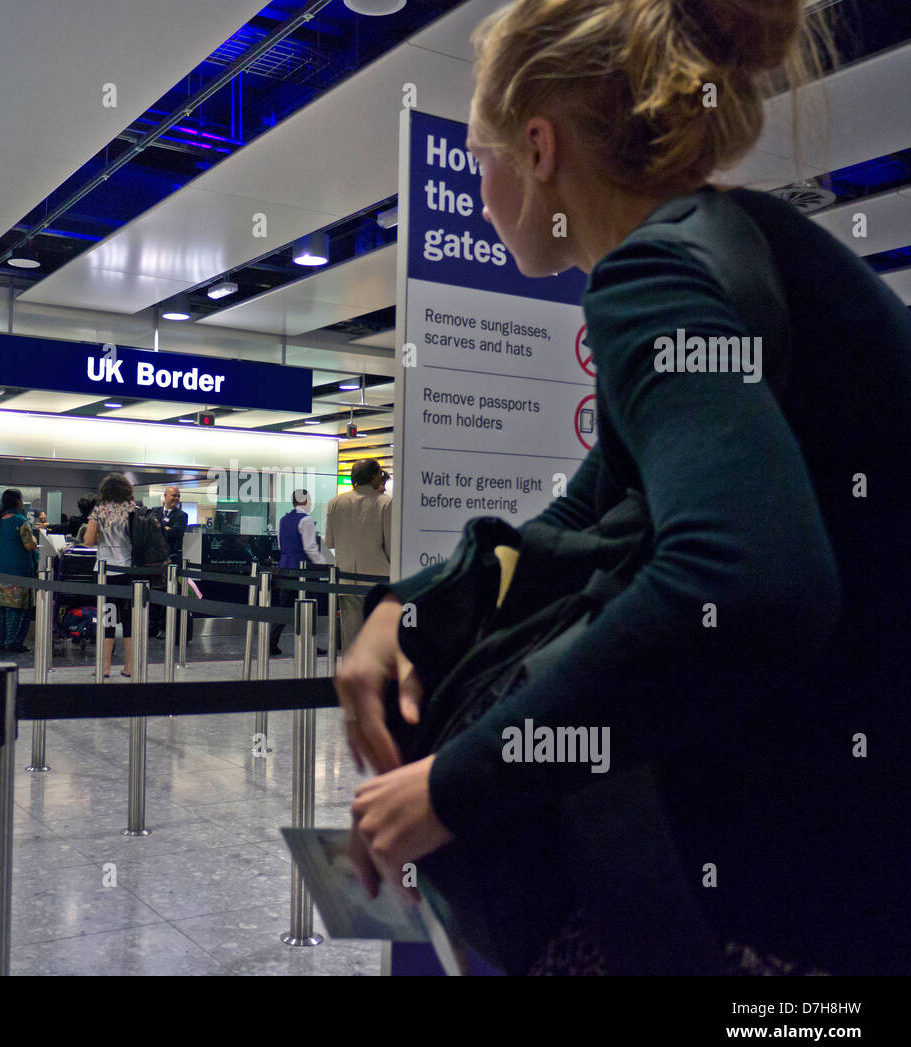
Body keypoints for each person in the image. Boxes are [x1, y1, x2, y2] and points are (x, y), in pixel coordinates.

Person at [337, 0, 911, 976]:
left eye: (482, 157)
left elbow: (747, 582)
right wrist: (413, 604)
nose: (477, 190)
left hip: (791, 921)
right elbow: (589, 509)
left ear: (538, 145)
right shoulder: (747, 245)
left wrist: (453, 788)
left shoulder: (654, 276)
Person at [323, 458, 391, 649]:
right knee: (376, 636)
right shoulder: (386, 503)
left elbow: (330, 541)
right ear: (372, 477)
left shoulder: (335, 502)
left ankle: (351, 672)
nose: (380, 477)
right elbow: (391, 546)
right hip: (377, 578)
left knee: (350, 635)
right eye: (379, 473)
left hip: (345, 577)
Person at [84, 473, 136, 677]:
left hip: (107, 571)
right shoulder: (133, 510)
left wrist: (100, 537)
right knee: (129, 619)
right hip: (129, 570)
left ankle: (104, 667)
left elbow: (88, 540)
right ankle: (129, 667)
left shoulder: (100, 511)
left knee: (109, 618)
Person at [270, 488, 326, 656]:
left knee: (284, 607)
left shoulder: (284, 519)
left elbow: (281, 545)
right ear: (306, 500)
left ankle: (271, 642)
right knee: (307, 607)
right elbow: (310, 548)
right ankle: (309, 645)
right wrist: (322, 564)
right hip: (303, 570)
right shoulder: (306, 520)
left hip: (285, 567)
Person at [0, 489, 38, 653]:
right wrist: (35, 539)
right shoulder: (21, 521)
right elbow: (29, 545)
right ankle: (13, 642)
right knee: (16, 609)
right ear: (18, 501)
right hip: (17, 573)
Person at [150, 485, 188, 637]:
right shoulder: (154, 511)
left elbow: (174, 533)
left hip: (172, 560)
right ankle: (151, 626)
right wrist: (164, 529)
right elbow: (150, 531)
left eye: (178, 496)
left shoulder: (181, 515)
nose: (176, 499)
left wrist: (161, 529)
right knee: (154, 593)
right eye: (174, 496)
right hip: (154, 561)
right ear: (165, 496)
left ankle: (165, 627)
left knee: (169, 593)